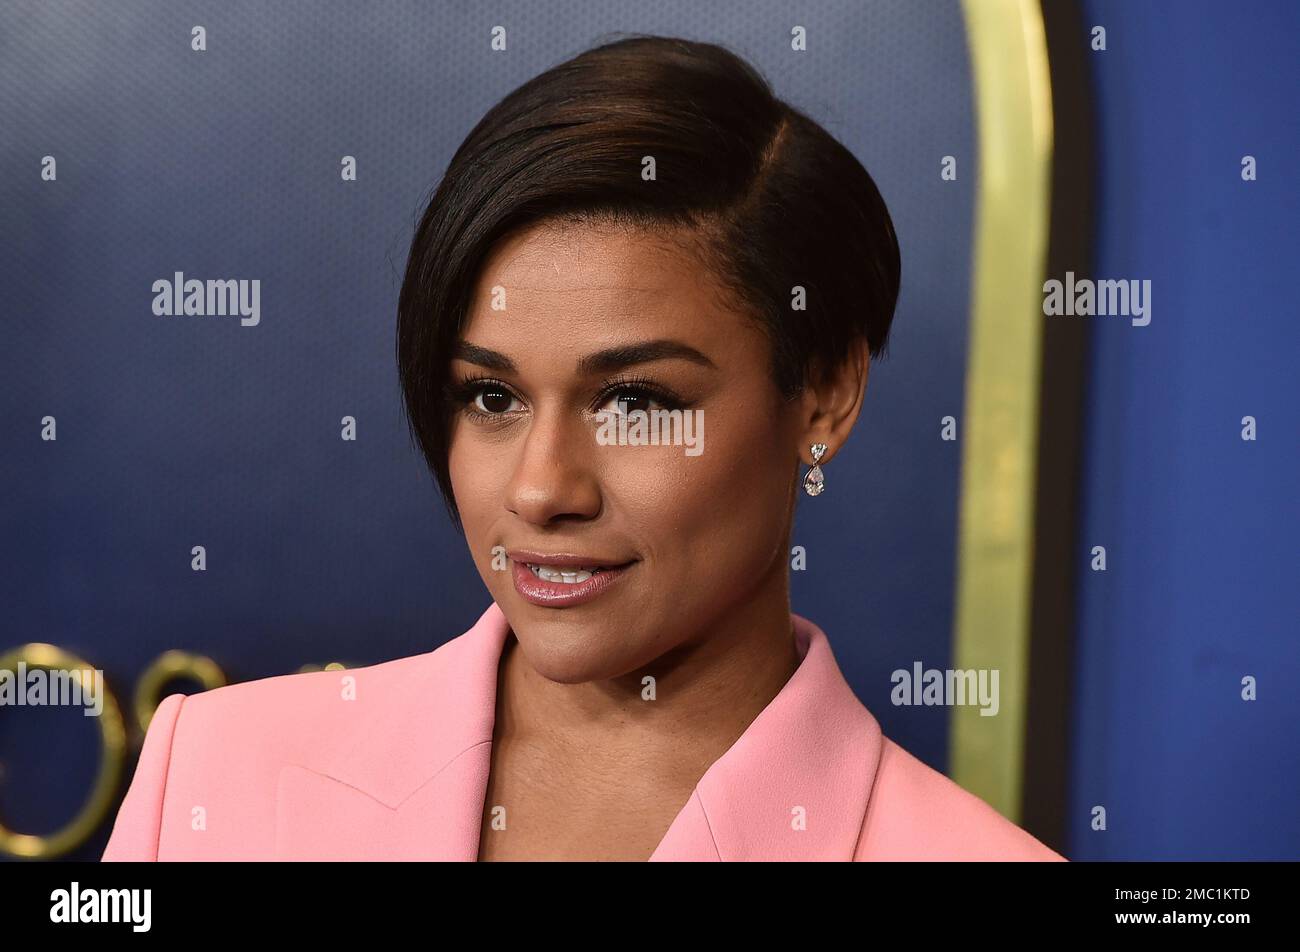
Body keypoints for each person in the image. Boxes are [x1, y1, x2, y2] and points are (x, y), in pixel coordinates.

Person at [103, 34, 1063, 862]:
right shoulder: (217, 772)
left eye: (636, 400)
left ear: (825, 393)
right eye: (492, 396)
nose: (540, 489)